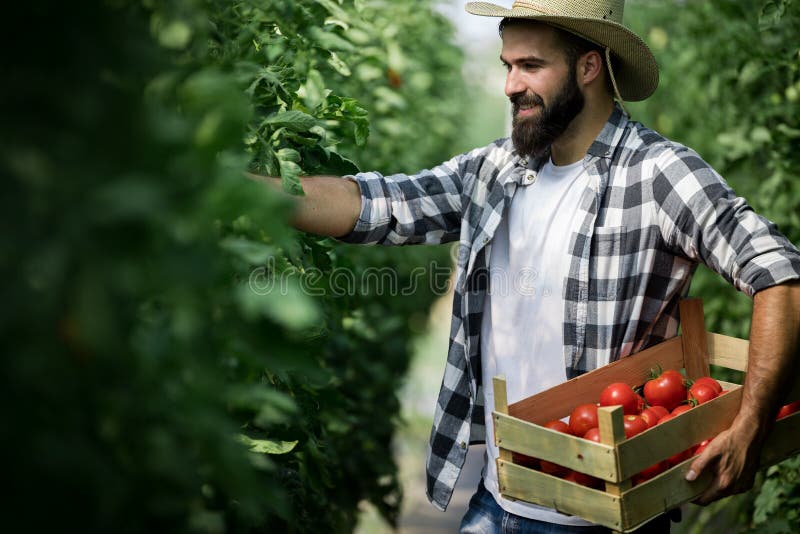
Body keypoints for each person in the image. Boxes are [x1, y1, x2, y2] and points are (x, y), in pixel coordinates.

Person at [254, 0, 800, 531]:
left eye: (531, 65)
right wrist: (247, 192)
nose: (512, 84)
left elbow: (780, 276)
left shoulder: (658, 174)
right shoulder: (497, 169)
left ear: (589, 67)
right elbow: (379, 205)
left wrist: (749, 426)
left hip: (603, 516)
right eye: (507, 66)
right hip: (498, 499)